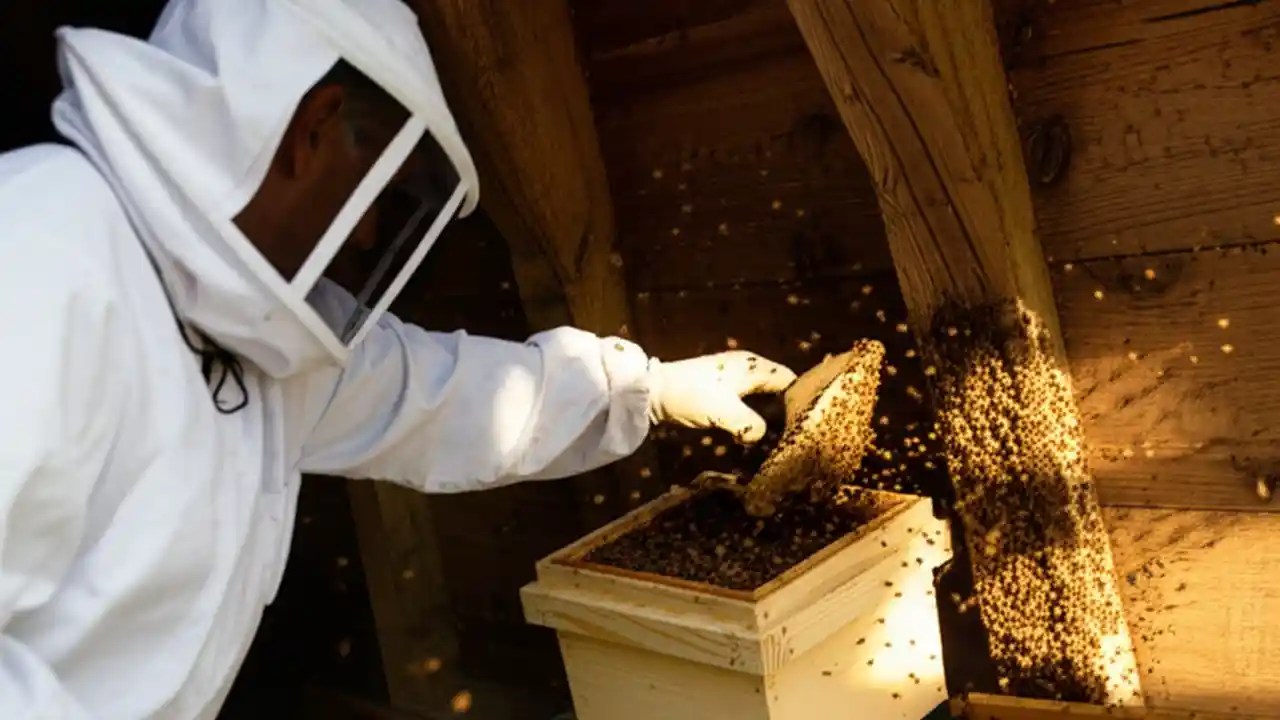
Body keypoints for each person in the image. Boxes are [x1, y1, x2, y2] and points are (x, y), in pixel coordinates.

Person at [0, 0, 797, 717]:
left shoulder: (248, 336)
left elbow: (434, 395)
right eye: (378, 185)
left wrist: (648, 387)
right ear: (316, 124)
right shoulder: (40, 246)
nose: (370, 231)